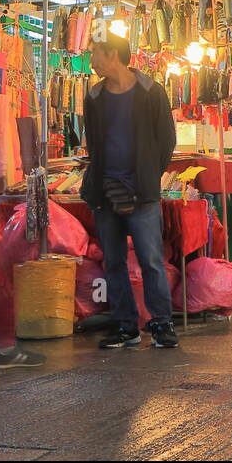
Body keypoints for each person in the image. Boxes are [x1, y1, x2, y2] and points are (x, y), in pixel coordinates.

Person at [80, 33, 179, 350]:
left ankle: (162, 324)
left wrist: (149, 175)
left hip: (142, 192)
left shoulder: (152, 91)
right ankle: (126, 326)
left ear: (112, 55)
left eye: (96, 53)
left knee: (151, 260)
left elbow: (166, 140)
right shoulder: (94, 96)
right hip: (104, 191)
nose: (92, 60)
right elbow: (94, 144)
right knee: (114, 262)